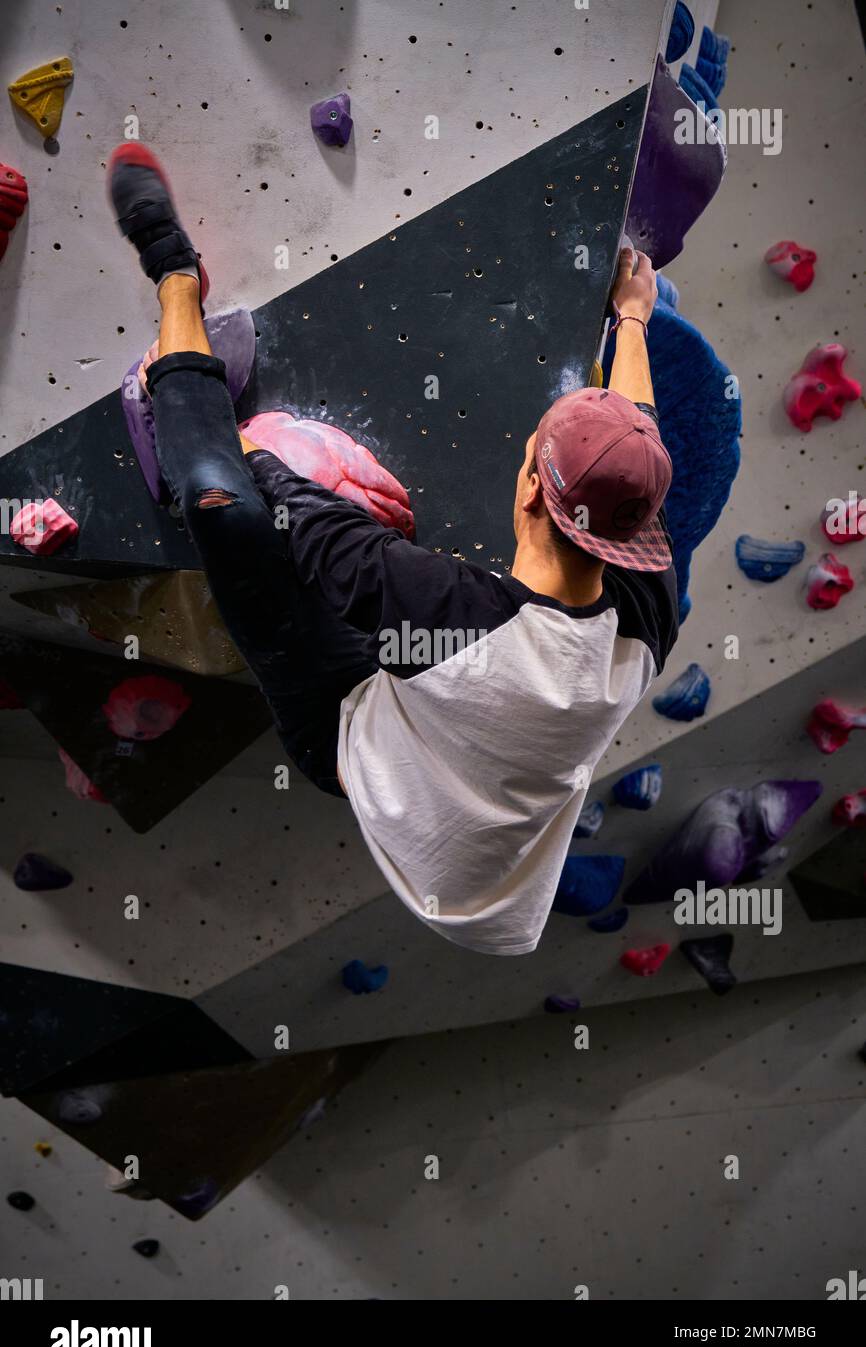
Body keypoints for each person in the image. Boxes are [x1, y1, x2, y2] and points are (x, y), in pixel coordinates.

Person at [107, 142, 678, 956]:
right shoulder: (646, 609)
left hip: (350, 748)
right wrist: (632, 317)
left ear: (527, 491)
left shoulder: (448, 615)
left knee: (219, 506)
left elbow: (292, 511)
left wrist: (235, 439)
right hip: (477, 842)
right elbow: (637, 440)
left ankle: (173, 276)